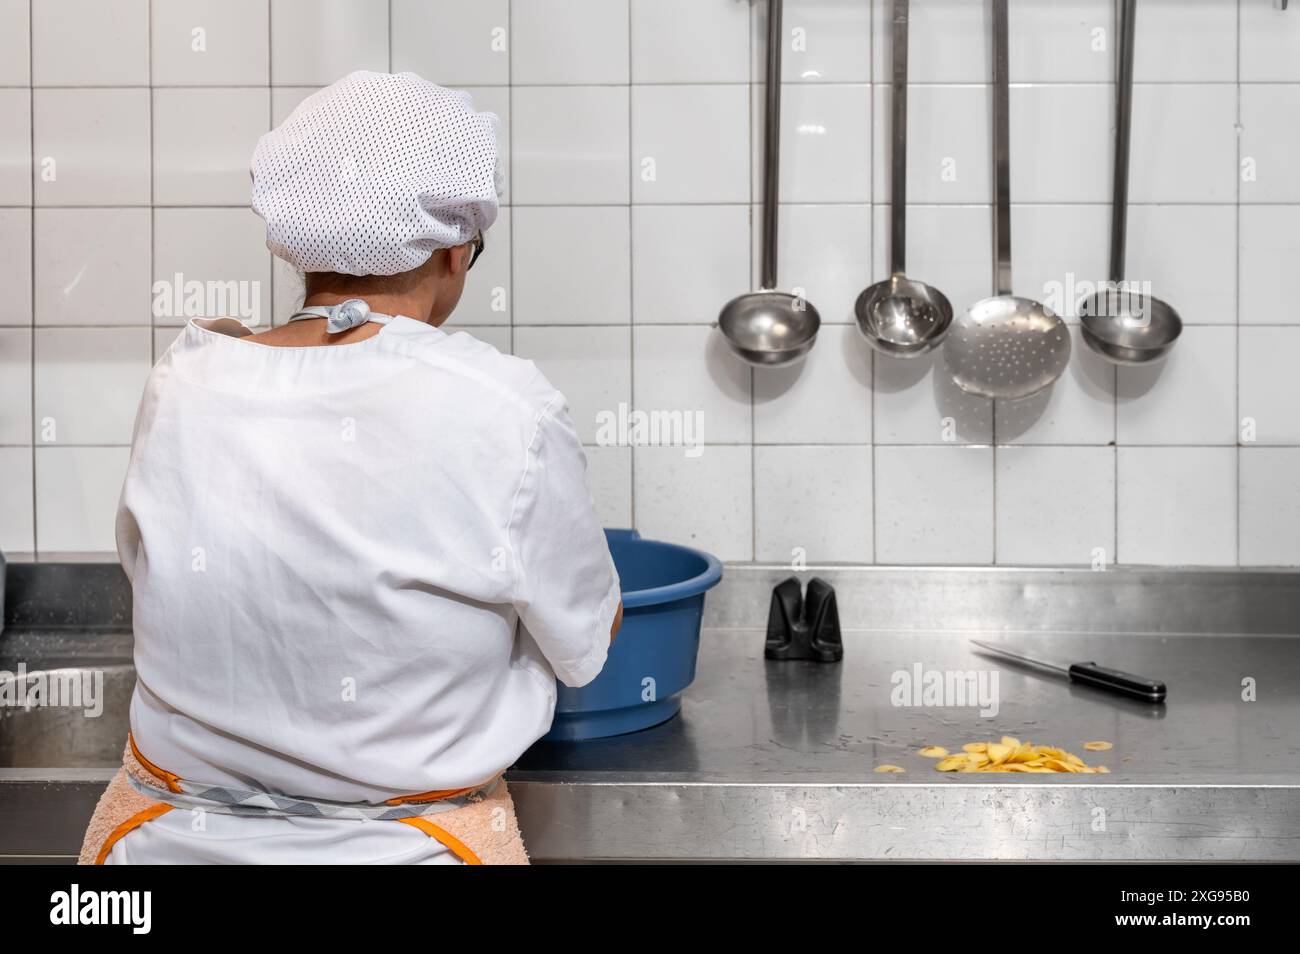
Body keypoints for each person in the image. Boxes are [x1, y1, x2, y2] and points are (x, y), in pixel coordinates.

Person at [78, 71, 622, 865]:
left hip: (162, 847)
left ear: (296, 238)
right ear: (454, 249)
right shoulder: (506, 408)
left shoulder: (184, 379)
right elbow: (585, 640)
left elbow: (153, 571)